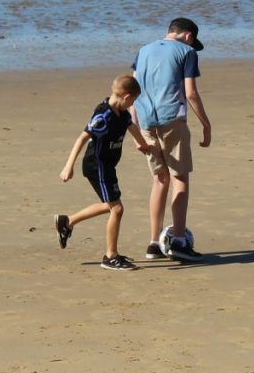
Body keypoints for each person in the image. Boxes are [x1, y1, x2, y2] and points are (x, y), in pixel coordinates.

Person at [131, 17, 211, 262]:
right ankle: (178, 240)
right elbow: (190, 93)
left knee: (159, 180)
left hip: (145, 121)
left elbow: (131, 91)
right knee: (179, 178)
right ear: (188, 36)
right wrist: (206, 124)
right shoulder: (187, 52)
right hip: (171, 120)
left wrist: (134, 129)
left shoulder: (143, 50)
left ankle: (154, 243)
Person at [55, 73, 151, 271]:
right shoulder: (103, 116)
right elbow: (82, 138)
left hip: (108, 165)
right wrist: (68, 166)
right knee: (117, 209)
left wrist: (147, 147)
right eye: (133, 100)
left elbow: (134, 131)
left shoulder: (122, 115)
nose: (133, 104)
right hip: (97, 165)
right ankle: (110, 256)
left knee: (109, 205)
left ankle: (68, 222)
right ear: (126, 97)